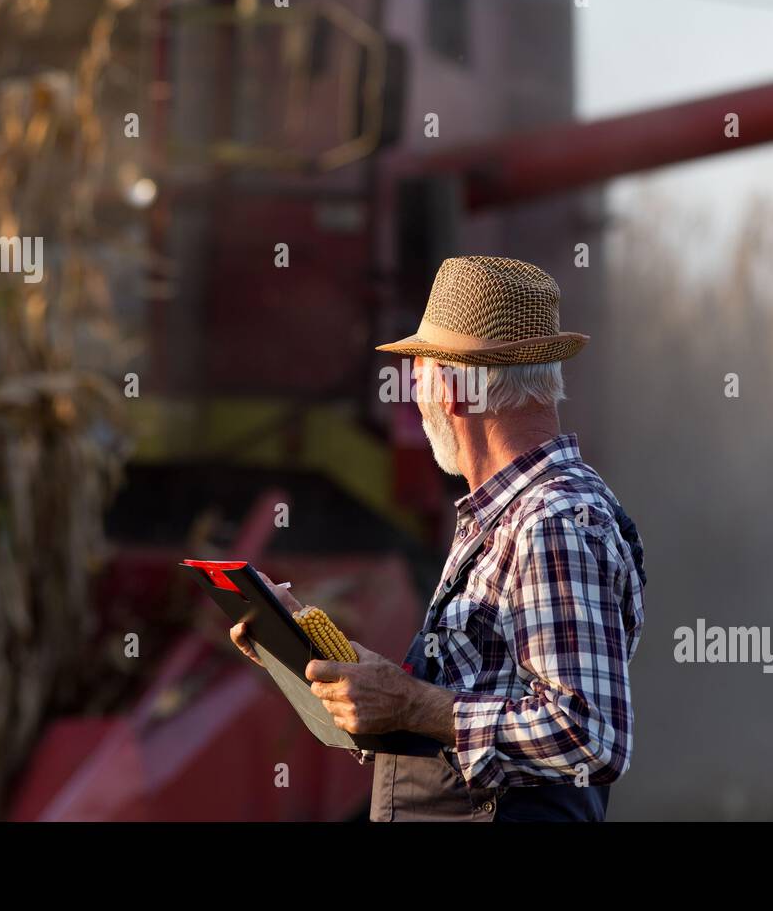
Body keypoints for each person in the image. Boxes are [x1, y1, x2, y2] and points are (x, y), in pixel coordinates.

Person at [232, 255, 645, 821]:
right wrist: (307, 654)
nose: (414, 398)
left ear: (451, 389)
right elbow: (459, 698)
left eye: (418, 376)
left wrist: (411, 703)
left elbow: (587, 735)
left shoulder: (554, 522)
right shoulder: (504, 516)